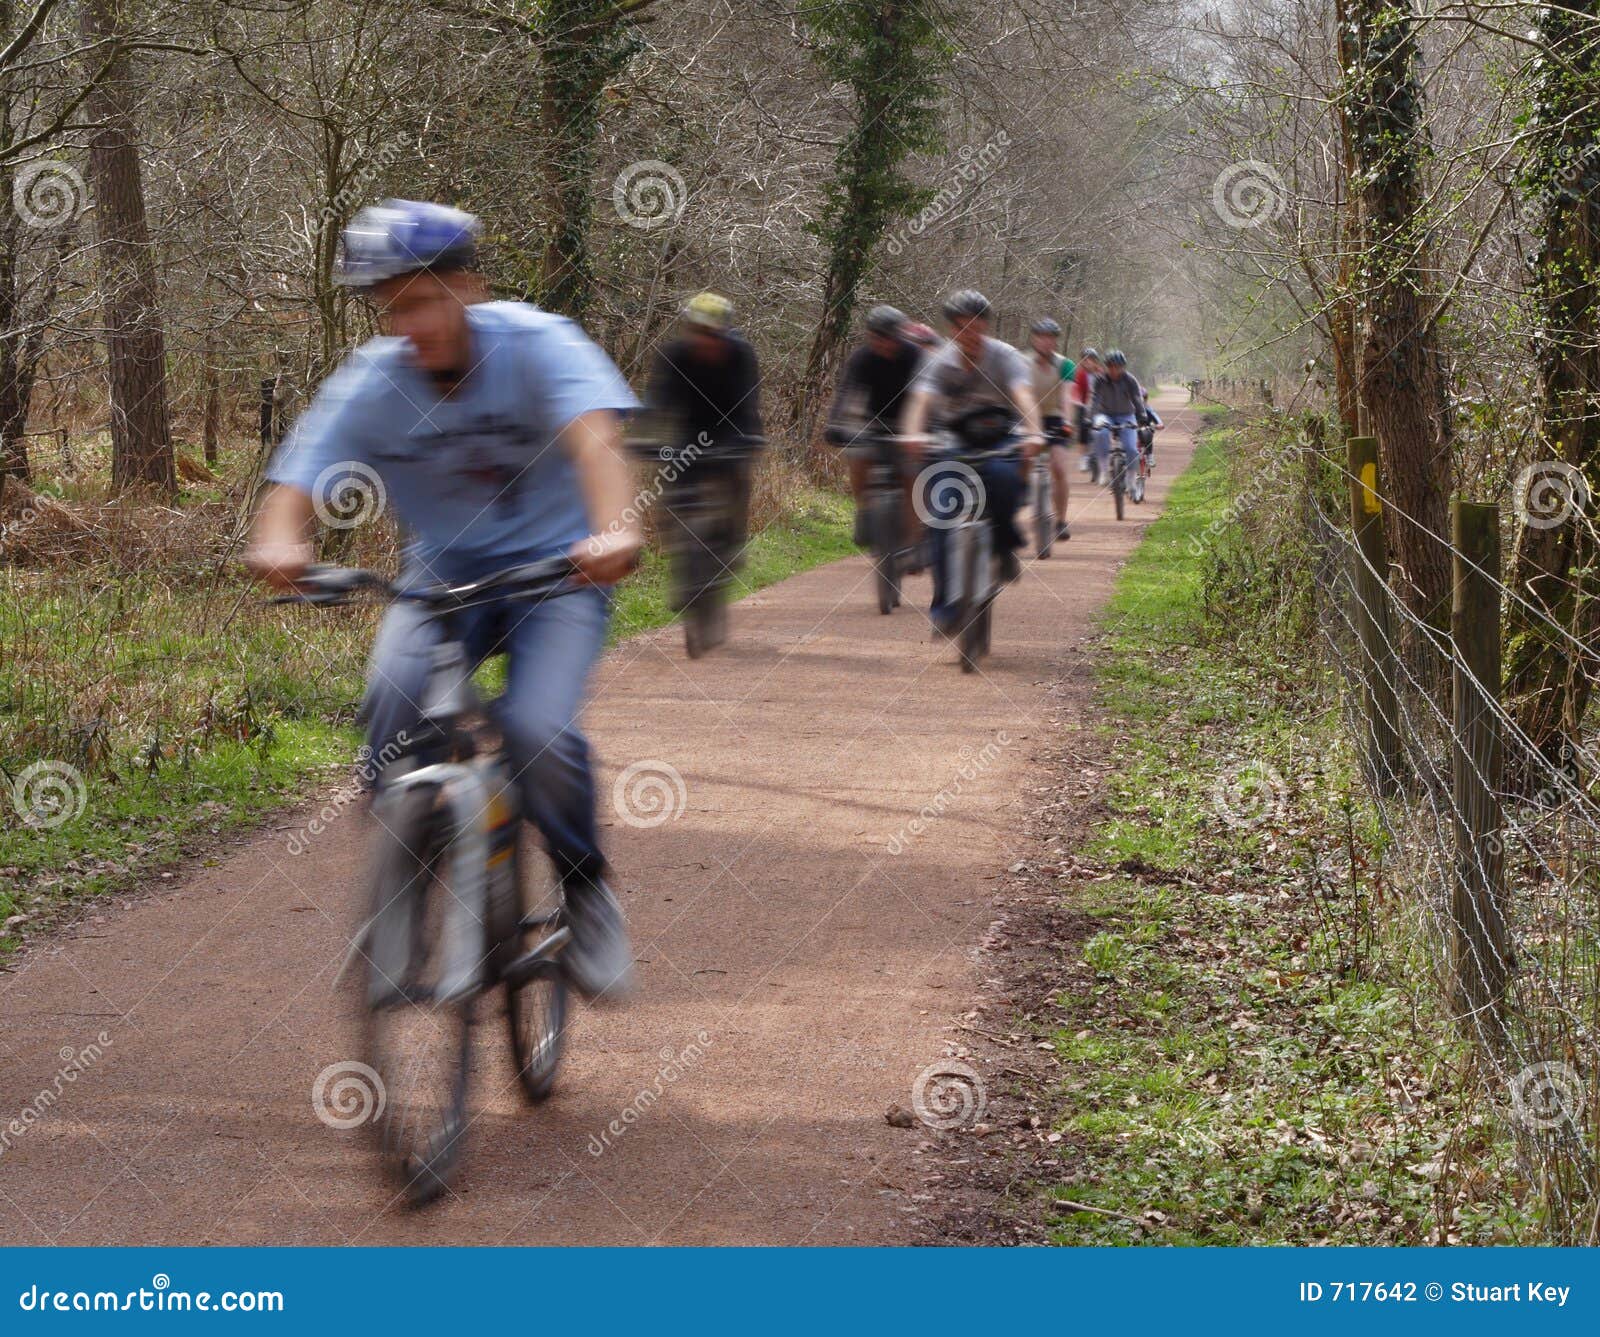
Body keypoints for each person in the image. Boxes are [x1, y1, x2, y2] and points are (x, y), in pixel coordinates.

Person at [246, 199, 640, 1002]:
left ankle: (586, 888)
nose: (408, 324)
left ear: (467, 286)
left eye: (422, 300)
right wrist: (282, 541)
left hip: (556, 573)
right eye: (390, 307)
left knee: (536, 725)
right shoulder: (375, 379)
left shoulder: (539, 347)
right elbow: (295, 479)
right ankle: (402, 887)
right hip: (441, 576)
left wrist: (616, 530)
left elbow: (598, 440)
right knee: (390, 698)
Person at [902, 289, 1043, 633]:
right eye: (963, 328)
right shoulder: (938, 361)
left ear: (987, 327)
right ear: (952, 330)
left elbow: (1024, 395)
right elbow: (921, 401)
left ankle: (1005, 543)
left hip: (999, 434)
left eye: (978, 327)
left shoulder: (1006, 357)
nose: (971, 335)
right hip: (954, 436)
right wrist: (913, 434)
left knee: (1005, 481)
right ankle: (945, 605)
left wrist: (1035, 432)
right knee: (941, 514)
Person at [643, 292, 765, 648]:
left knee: (738, 476)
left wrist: (748, 441)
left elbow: (749, 404)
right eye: (698, 332)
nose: (705, 341)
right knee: (669, 493)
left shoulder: (741, 355)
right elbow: (656, 405)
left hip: (732, 430)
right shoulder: (673, 356)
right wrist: (645, 440)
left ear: (726, 333)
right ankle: (681, 560)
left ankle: (733, 542)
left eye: (713, 334)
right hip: (688, 435)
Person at [824, 304, 922, 553]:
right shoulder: (861, 358)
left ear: (900, 336)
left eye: (891, 338)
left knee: (913, 475)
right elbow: (847, 392)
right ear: (870, 336)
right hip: (874, 423)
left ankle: (913, 540)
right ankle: (864, 509)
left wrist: (931, 427)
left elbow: (929, 394)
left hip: (909, 424)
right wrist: (836, 424)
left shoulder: (916, 356)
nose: (885, 344)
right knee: (857, 456)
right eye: (878, 337)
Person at [1027, 317, 1074, 541]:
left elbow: (1067, 397)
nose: (1046, 342)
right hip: (1028, 420)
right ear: (1034, 340)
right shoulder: (1022, 363)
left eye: (1051, 338)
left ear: (1055, 342)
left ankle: (1061, 520)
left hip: (1055, 419)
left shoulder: (1065, 365)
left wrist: (1067, 421)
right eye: (1041, 337)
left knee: (1059, 467)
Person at [1089, 349, 1149, 482]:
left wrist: (1142, 416)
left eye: (1118, 367)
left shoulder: (1130, 380)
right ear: (1107, 366)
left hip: (1126, 415)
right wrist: (1090, 418)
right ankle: (1104, 470)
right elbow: (1095, 400)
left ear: (1123, 367)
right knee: (1101, 433)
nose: (1114, 370)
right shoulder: (1100, 380)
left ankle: (1131, 477)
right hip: (1104, 414)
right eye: (1111, 366)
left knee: (1132, 449)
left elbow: (1137, 399)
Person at [1072, 347, 1103, 472]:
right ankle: (1083, 458)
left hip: (1099, 406)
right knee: (1083, 430)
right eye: (1085, 360)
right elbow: (1076, 391)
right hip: (1083, 405)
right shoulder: (1079, 374)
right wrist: (1078, 402)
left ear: (1095, 361)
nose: (1088, 362)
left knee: (1103, 428)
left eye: (1090, 360)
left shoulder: (1101, 373)